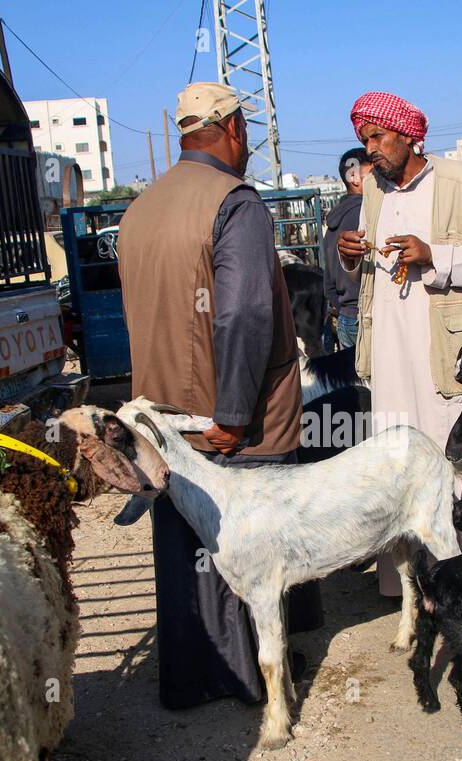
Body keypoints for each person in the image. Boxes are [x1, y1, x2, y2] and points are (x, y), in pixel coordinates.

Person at [117, 81, 320, 709]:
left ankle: (188, 676)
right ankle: (243, 676)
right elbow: (246, 317)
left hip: (163, 414)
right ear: (233, 129)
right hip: (229, 415)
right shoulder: (235, 204)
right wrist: (232, 414)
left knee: (183, 542)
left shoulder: (141, 207)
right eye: (247, 132)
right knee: (246, 543)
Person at [337, 91, 462, 595]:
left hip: (445, 354)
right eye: (365, 140)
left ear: (410, 135)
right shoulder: (374, 190)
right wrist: (351, 255)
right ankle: (417, 590)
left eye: (377, 137)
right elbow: (369, 262)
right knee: (400, 467)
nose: (371, 150)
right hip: (389, 355)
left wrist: (435, 255)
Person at [323, 147, 374, 350]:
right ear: (354, 177)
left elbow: (328, 283)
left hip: (347, 318)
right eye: (373, 174)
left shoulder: (333, 223)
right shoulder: (362, 215)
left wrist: (344, 309)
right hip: (366, 319)